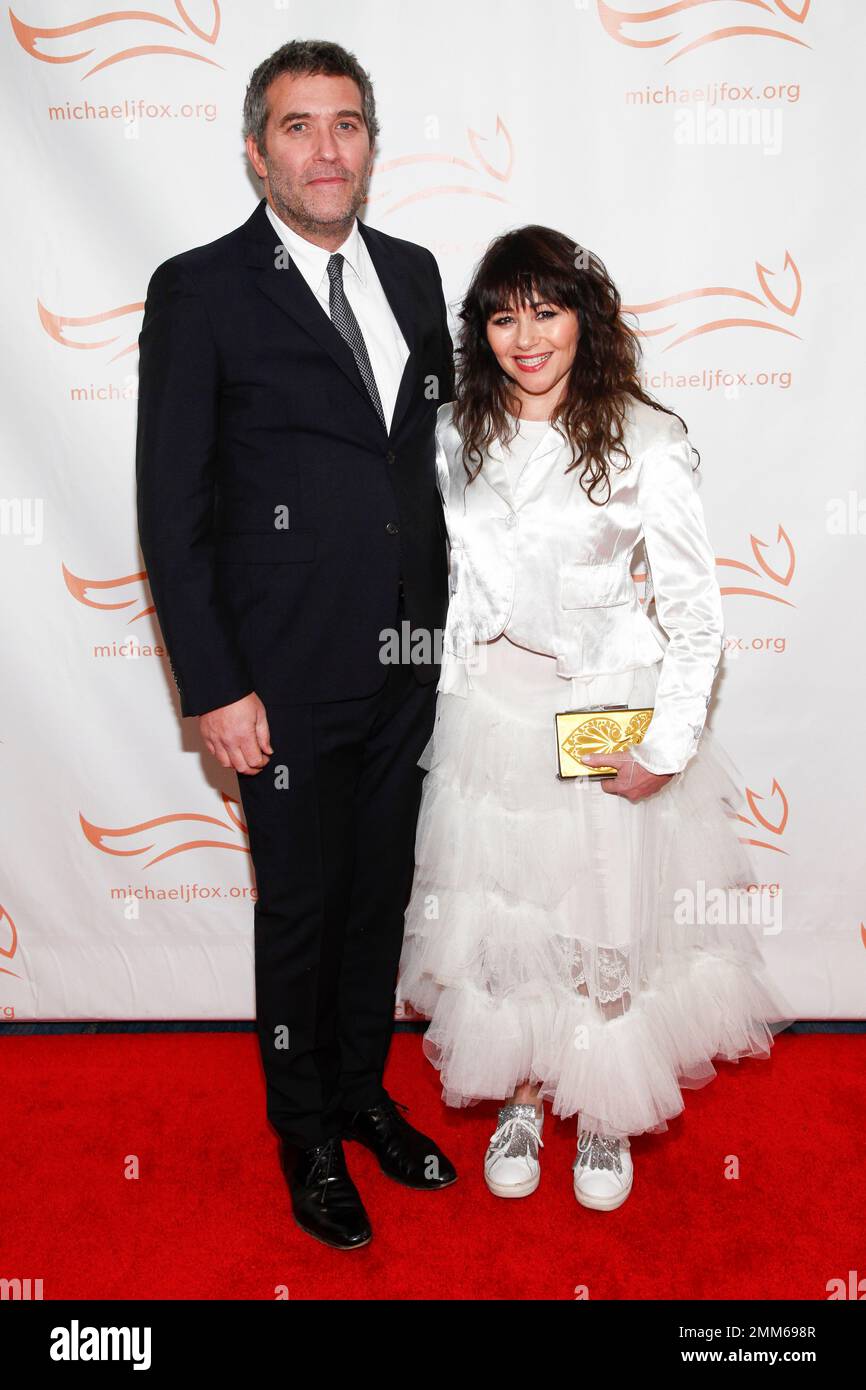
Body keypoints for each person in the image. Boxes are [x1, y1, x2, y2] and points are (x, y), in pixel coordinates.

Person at [398, 224, 793, 1211]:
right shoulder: (458, 434)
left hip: (599, 705)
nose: (522, 335)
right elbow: (436, 573)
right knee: (506, 921)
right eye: (500, 314)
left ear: (585, 317)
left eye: (545, 309)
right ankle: (526, 1092)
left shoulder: (645, 437)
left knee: (603, 912)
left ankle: (606, 1110)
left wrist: (664, 744)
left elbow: (694, 611)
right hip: (490, 707)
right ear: (478, 328)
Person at [136, 39, 457, 1251]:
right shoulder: (200, 288)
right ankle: (305, 1130)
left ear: (371, 142)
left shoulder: (420, 275)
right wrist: (214, 687)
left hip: (410, 665)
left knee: (380, 899)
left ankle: (366, 1092)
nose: (325, 149)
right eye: (296, 126)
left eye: (345, 124)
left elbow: (424, 474)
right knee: (304, 910)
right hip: (280, 680)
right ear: (256, 149)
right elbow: (173, 507)